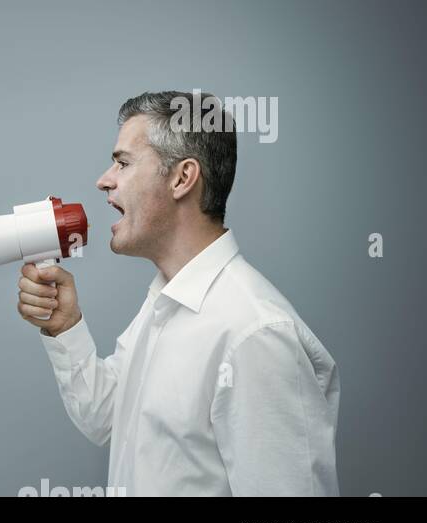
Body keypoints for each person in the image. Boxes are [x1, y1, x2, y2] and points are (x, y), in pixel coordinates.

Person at [17, 91, 339, 496]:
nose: (104, 180)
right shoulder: (167, 301)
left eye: (123, 163)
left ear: (182, 178)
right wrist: (65, 327)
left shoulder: (255, 335)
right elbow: (106, 416)